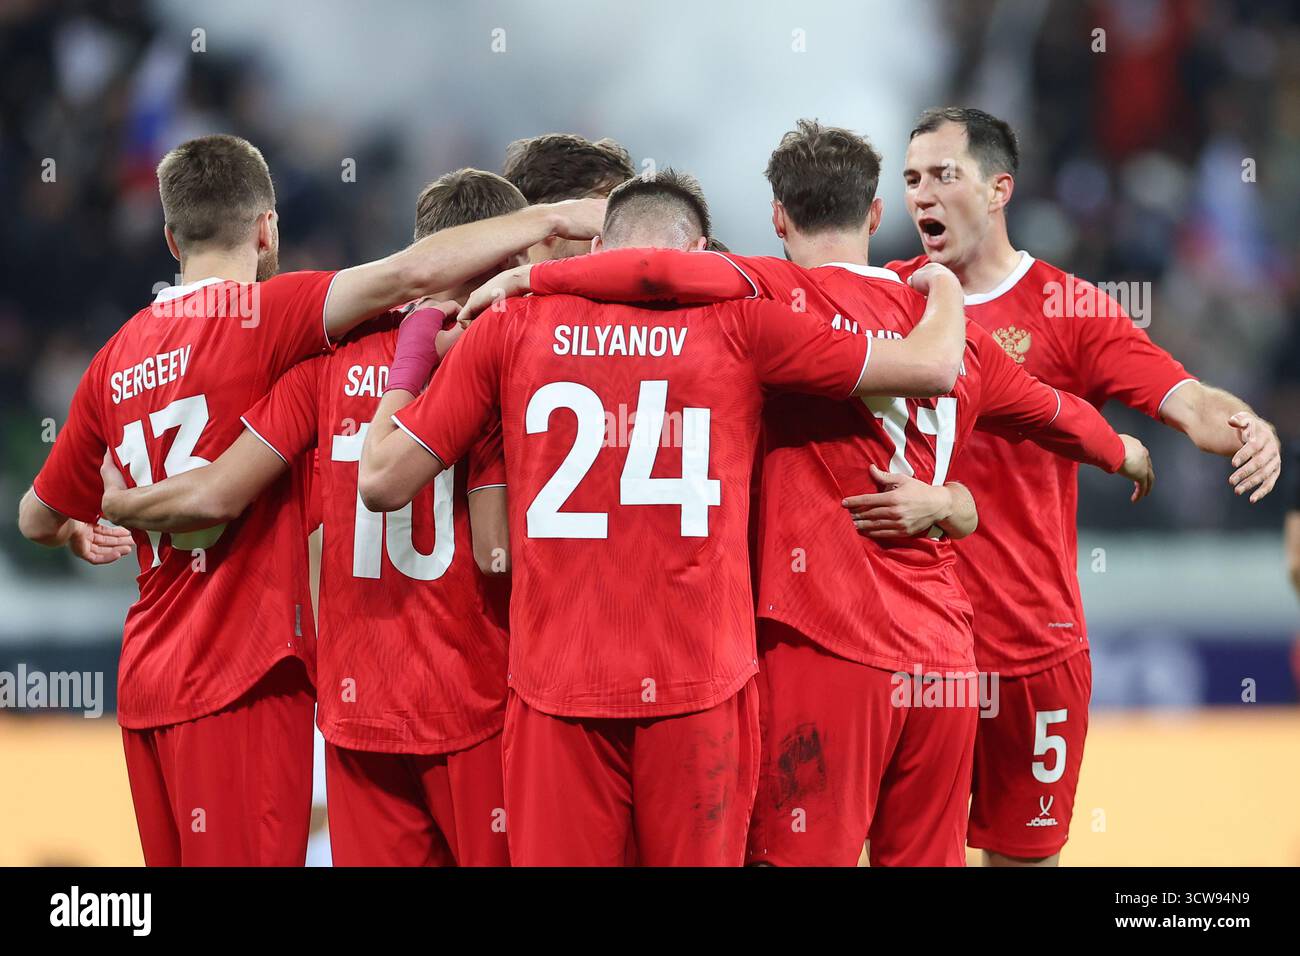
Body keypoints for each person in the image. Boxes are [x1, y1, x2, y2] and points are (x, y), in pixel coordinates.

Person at [464, 120, 1154, 865]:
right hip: (946, 662)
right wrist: (1126, 453)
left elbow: (657, 272)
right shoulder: (959, 335)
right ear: (874, 216)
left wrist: (531, 276)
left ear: (777, 220)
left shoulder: (766, 298)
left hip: (827, 647)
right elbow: (1058, 416)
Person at [16, 133, 604, 866]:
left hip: (189, 687)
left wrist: (104, 514)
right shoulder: (281, 321)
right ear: (267, 228)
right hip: (283, 682)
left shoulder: (143, 357)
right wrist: (559, 217)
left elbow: (48, 515)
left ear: (170, 235)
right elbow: (411, 277)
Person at [358, 169, 969, 865]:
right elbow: (934, 366)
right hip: (700, 691)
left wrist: (411, 356)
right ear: (702, 252)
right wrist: (943, 283)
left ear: (596, 251)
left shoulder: (510, 327)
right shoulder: (743, 325)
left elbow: (381, 481)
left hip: (560, 691)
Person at [888, 106, 1282, 866]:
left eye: (945, 175)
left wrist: (1249, 426)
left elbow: (1190, 401)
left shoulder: (1068, 310)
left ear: (1000, 188)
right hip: (915, 648)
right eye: (911, 180)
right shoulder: (885, 301)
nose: (923, 196)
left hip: (1033, 648)